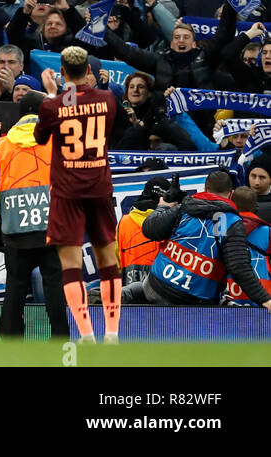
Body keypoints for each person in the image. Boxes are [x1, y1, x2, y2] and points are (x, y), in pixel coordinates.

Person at [34, 46, 121, 342]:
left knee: (70, 266)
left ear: (61, 73)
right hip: (98, 186)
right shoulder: (108, 99)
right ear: (89, 72)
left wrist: (50, 94)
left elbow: (41, 136)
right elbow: (85, 104)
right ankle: (112, 332)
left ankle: (86, 334)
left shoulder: (54, 105)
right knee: (108, 259)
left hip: (67, 191)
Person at [0, 91, 68, 339]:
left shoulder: (3, 146)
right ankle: (60, 337)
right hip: (52, 228)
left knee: (15, 286)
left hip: (15, 228)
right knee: (54, 285)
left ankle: (10, 339)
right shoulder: (58, 140)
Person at [128, 170, 271, 311]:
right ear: (231, 194)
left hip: (155, 287)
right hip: (193, 305)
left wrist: (163, 205)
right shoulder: (230, 222)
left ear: (205, 189)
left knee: (137, 291)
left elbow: (150, 230)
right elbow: (239, 266)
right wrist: (265, 299)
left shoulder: (183, 207)